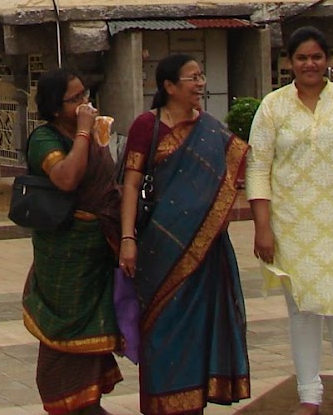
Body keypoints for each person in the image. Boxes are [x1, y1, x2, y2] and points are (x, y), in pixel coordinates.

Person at [247, 26, 333, 414]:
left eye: (316, 57)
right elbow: (257, 168)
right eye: (301, 58)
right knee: (302, 312)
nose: (309, 64)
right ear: (289, 62)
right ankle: (309, 396)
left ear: (326, 60)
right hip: (292, 225)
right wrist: (263, 227)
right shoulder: (273, 107)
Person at [119, 54, 251, 413]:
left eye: (201, 76)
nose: (200, 83)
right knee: (161, 331)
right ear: (169, 86)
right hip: (159, 251)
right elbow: (130, 185)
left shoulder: (210, 129)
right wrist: (128, 238)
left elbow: (229, 179)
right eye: (193, 78)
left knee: (199, 332)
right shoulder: (147, 126)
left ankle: (193, 404)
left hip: (206, 253)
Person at [22, 68, 124, 415]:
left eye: (85, 95)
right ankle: (69, 403)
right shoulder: (45, 138)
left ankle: (89, 401)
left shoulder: (94, 132)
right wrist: (83, 131)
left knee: (94, 329)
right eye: (75, 99)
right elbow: (66, 178)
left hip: (97, 250)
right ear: (54, 108)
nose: (85, 104)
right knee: (63, 335)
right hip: (64, 256)